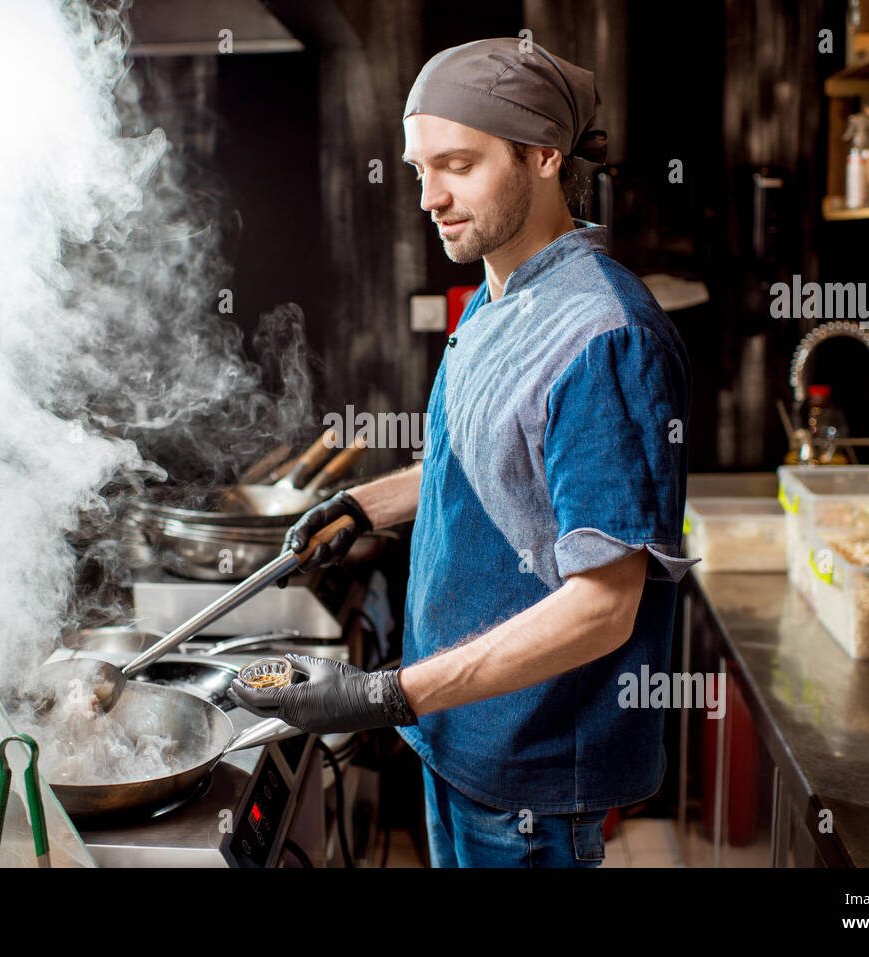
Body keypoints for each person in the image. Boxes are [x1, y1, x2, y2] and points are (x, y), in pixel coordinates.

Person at [232, 37, 695, 868]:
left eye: (456, 164)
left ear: (543, 155)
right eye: (418, 170)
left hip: (533, 773)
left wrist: (384, 692)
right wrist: (360, 506)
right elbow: (486, 457)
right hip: (460, 736)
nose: (429, 197)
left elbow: (605, 604)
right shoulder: (499, 294)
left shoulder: (604, 336)